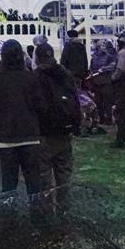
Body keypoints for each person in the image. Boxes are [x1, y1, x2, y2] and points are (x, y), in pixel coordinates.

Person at [0, 41, 45, 196]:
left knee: (9, 185)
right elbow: (40, 106)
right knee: (34, 185)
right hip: (30, 135)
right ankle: (37, 216)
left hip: (7, 138)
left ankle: (9, 218)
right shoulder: (31, 78)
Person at [34, 44, 81, 190]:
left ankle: (46, 209)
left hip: (44, 131)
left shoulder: (35, 77)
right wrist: (76, 125)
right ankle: (64, 208)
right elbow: (75, 99)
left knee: (44, 178)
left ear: (37, 57)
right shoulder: (65, 74)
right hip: (64, 130)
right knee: (64, 175)